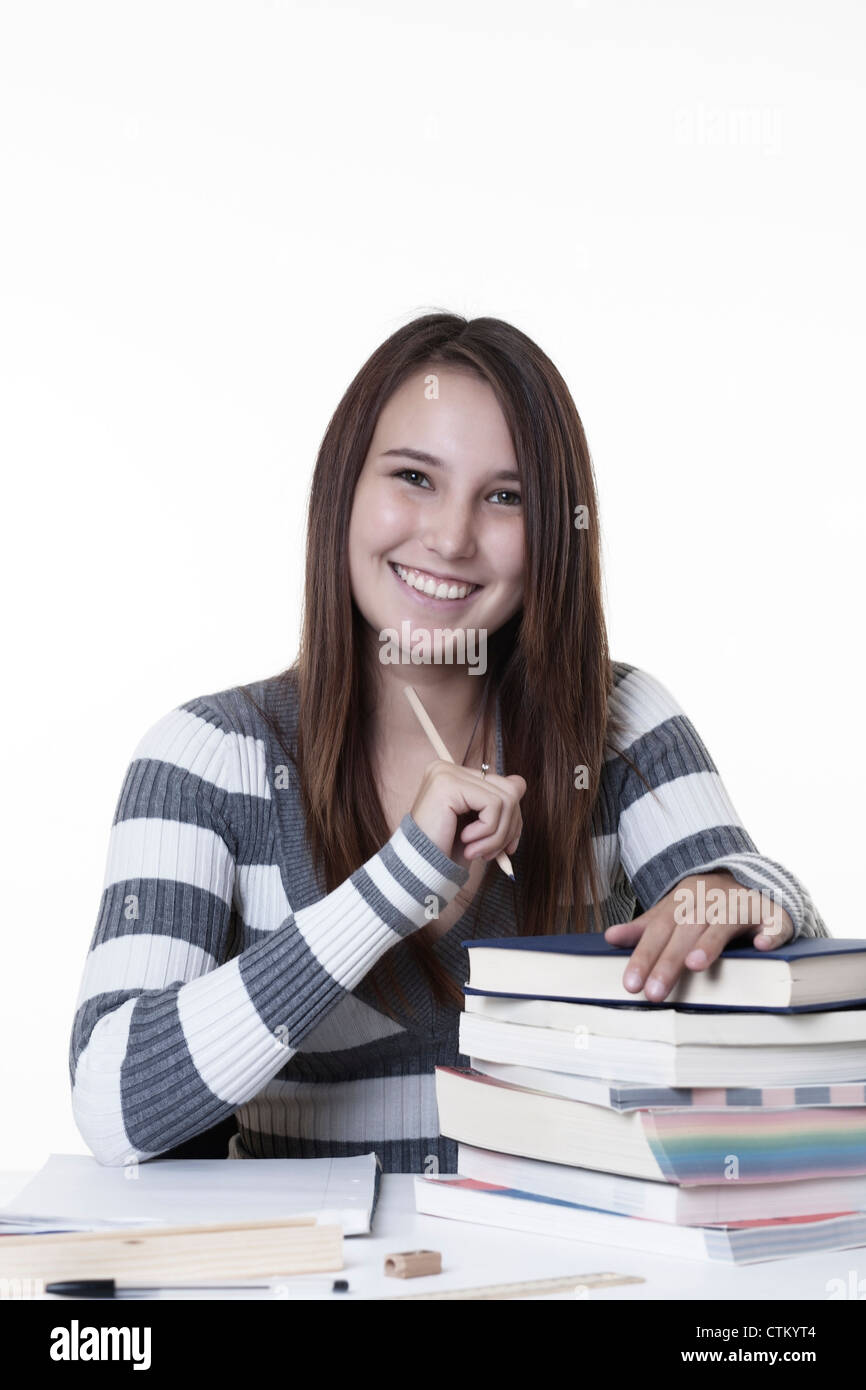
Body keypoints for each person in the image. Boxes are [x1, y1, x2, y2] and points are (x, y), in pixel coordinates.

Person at [68, 311, 828, 1171]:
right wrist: (399, 880)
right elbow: (113, 1103)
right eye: (414, 478)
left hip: (572, 1270)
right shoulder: (205, 756)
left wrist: (734, 899)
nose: (452, 537)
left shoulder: (616, 721)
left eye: (505, 497)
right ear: (342, 492)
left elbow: (775, 960)